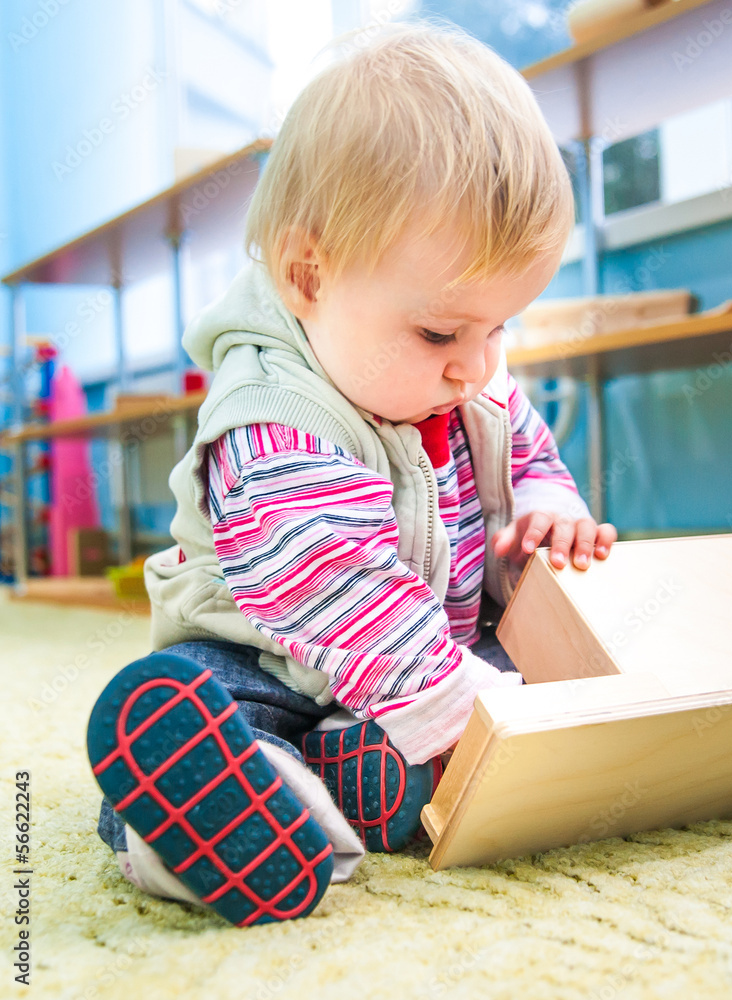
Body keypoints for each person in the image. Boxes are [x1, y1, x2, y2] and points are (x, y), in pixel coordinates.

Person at [87, 21, 617, 927]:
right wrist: (476, 713)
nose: (478, 365)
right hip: (270, 653)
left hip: (418, 661)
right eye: (447, 333)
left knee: (468, 718)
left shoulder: (452, 364)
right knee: (220, 710)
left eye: (503, 327)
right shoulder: (276, 421)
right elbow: (346, 589)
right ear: (309, 274)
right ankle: (218, 817)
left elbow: (521, 439)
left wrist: (545, 500)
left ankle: (346, 777)